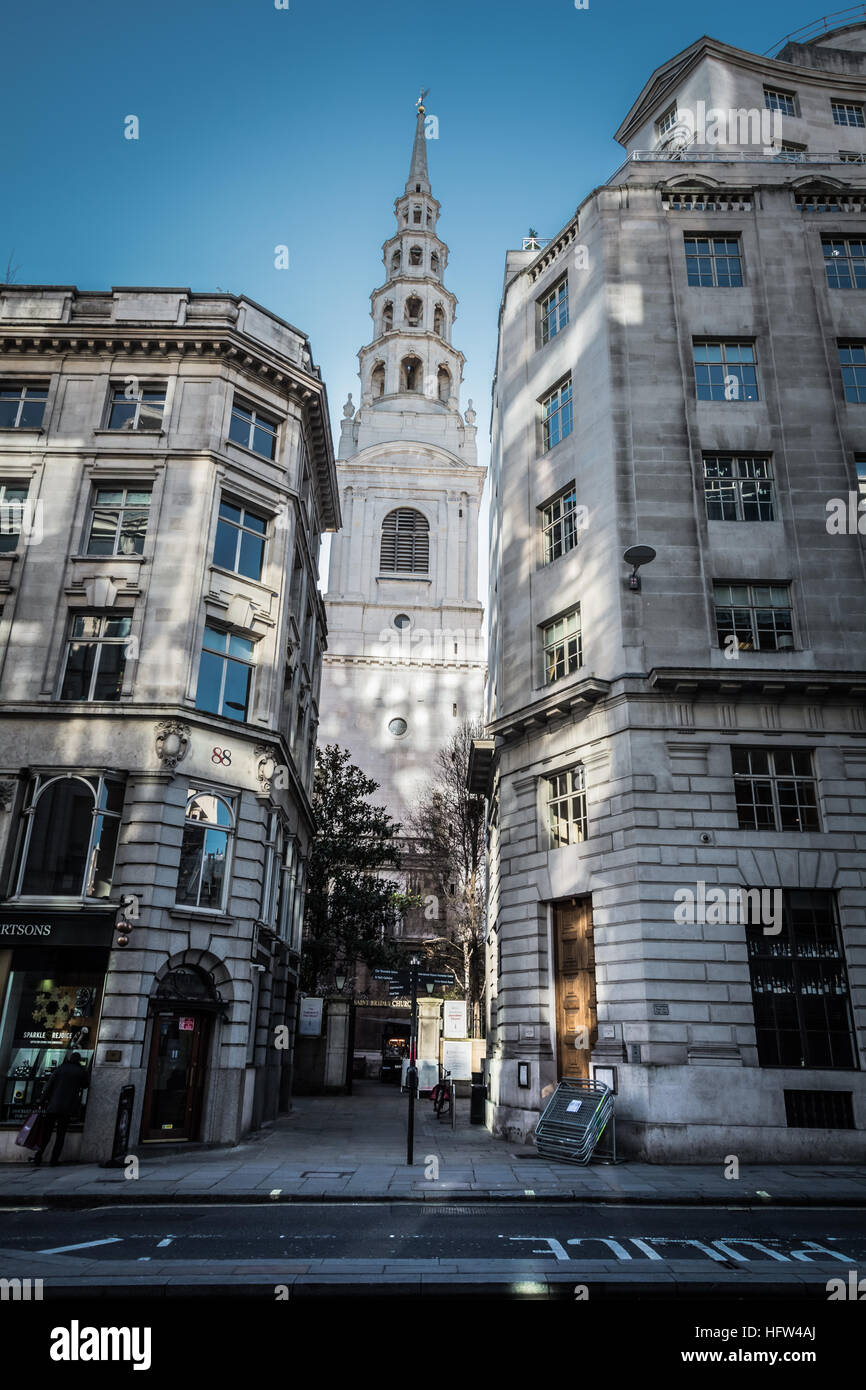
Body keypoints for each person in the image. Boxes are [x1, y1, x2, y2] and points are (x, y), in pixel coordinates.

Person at [29, 1052, 91, 1166]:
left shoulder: (60, 1069)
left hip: (53, 1106)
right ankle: (54, 1159)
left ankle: (38, 1156)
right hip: (67, 1108)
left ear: (69, 1059)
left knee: (46, 1133)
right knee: (60, 1135)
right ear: (79, 1060)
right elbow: (86, 1084)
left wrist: (42, 1100)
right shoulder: (80, 1071)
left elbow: (49, 1085)